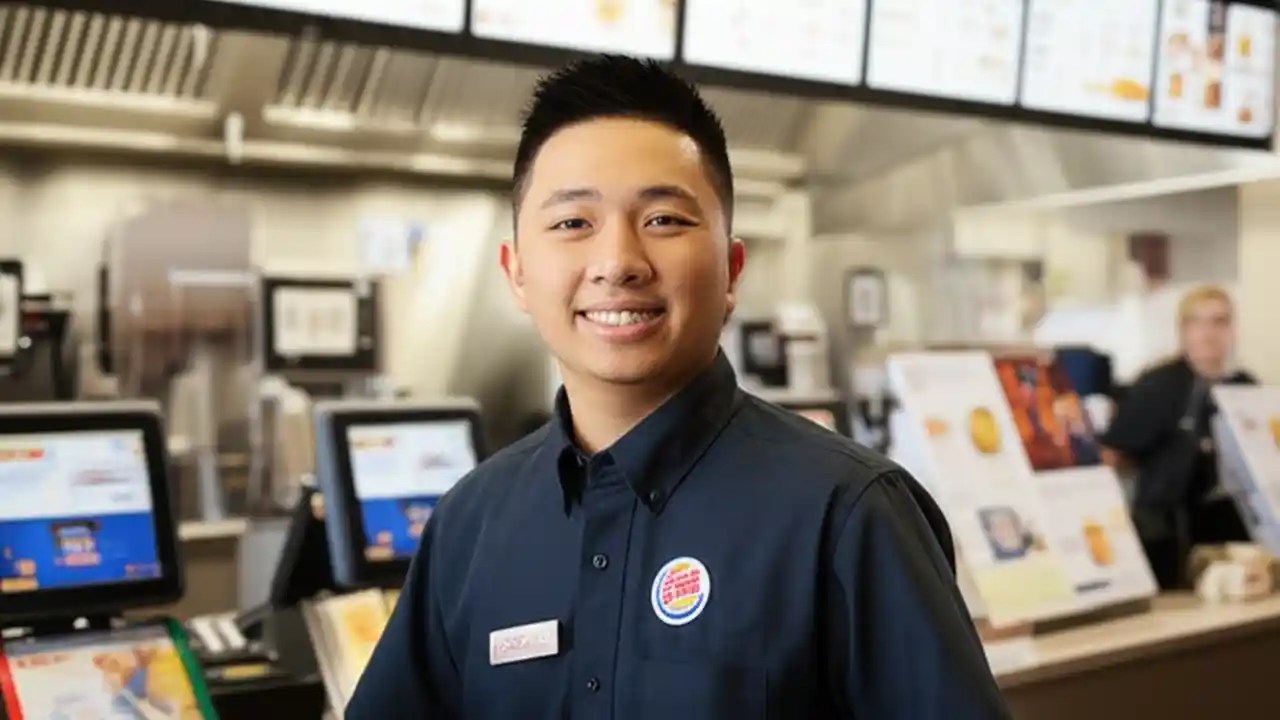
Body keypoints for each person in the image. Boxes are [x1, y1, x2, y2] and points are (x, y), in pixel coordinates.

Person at [346, 55, 1008, 719]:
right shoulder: (470, 524)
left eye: (663, 219)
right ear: (516, 272)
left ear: (731, 270)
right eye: (573, 223)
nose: (618, 263)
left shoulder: (849, 514)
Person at [1101, 285, 1256, 589]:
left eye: (1219, 322)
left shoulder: (1245, 387)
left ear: (1232, 330)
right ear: (1183, 330)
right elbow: (1113, 453)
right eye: (1197, 322)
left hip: (1231, 529)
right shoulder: (1159, 385)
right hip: (1168, 533)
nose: (1208, 333)